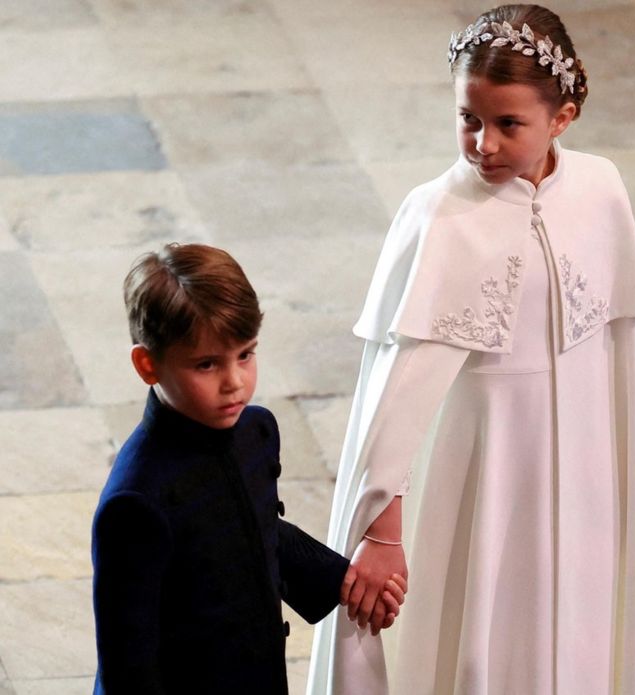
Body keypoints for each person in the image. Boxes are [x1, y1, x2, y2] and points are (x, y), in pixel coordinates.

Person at [308, 4, 635, 694]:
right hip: (487, 472)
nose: (483, 144)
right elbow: (395, 398)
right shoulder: (439, 215)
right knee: (487, 635)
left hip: (585, 471)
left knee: (582, 628)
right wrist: (381, 531)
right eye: (468, 118)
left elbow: (618, 355)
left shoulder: (600, 190)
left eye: (508, 124)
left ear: (562, 118)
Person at [91, 243, 406, 694]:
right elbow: (127, 666)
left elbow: (258, 527)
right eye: (206, 364)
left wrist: (343, 579)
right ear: (148, 365)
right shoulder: (136, 501)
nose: (234, 382)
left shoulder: (255, 432)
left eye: (245, 354)